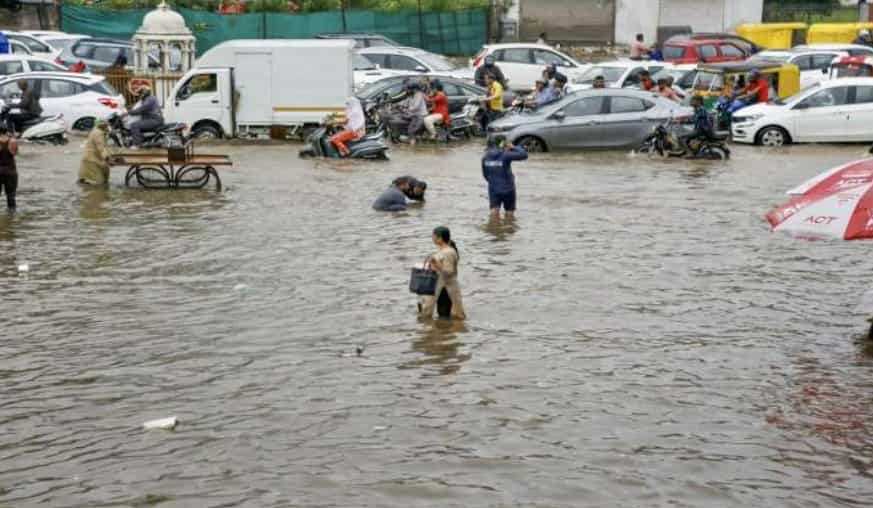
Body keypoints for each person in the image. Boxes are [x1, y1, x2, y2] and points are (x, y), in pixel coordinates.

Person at [418, 226, 466, 320]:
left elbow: (449, 271)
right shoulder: (443, 251)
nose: (432, 238)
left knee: (453, 316)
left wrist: (436, 263)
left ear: (440, 238)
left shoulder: (448, 252)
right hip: (442, 287)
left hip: (447, 289)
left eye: (433, 236)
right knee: (443, 316)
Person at [482, 134, 528, 220]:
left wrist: (493, 182)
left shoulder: (485, 156)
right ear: (503, 143)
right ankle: (508, 229)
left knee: (494, 212)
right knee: (509, 213)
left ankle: (493, 230)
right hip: (508, 188)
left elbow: (485, 175)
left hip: (494, 188)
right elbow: (524, 155)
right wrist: (513, 146)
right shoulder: (506, 155)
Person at [78, 120, 114, 185]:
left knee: (86, 181)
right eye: (106, 126)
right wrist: (108, 159)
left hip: (90, 159)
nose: (107, 128)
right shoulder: (99, 133)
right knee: (98, 183)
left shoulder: (96, 131)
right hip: (92, 161)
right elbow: (101, 148)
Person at [0, 125, 18, 211]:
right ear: (6, 131)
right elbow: (14, 153)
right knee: (11, 197)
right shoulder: (12, 141)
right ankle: (11, 218)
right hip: (10, 172)